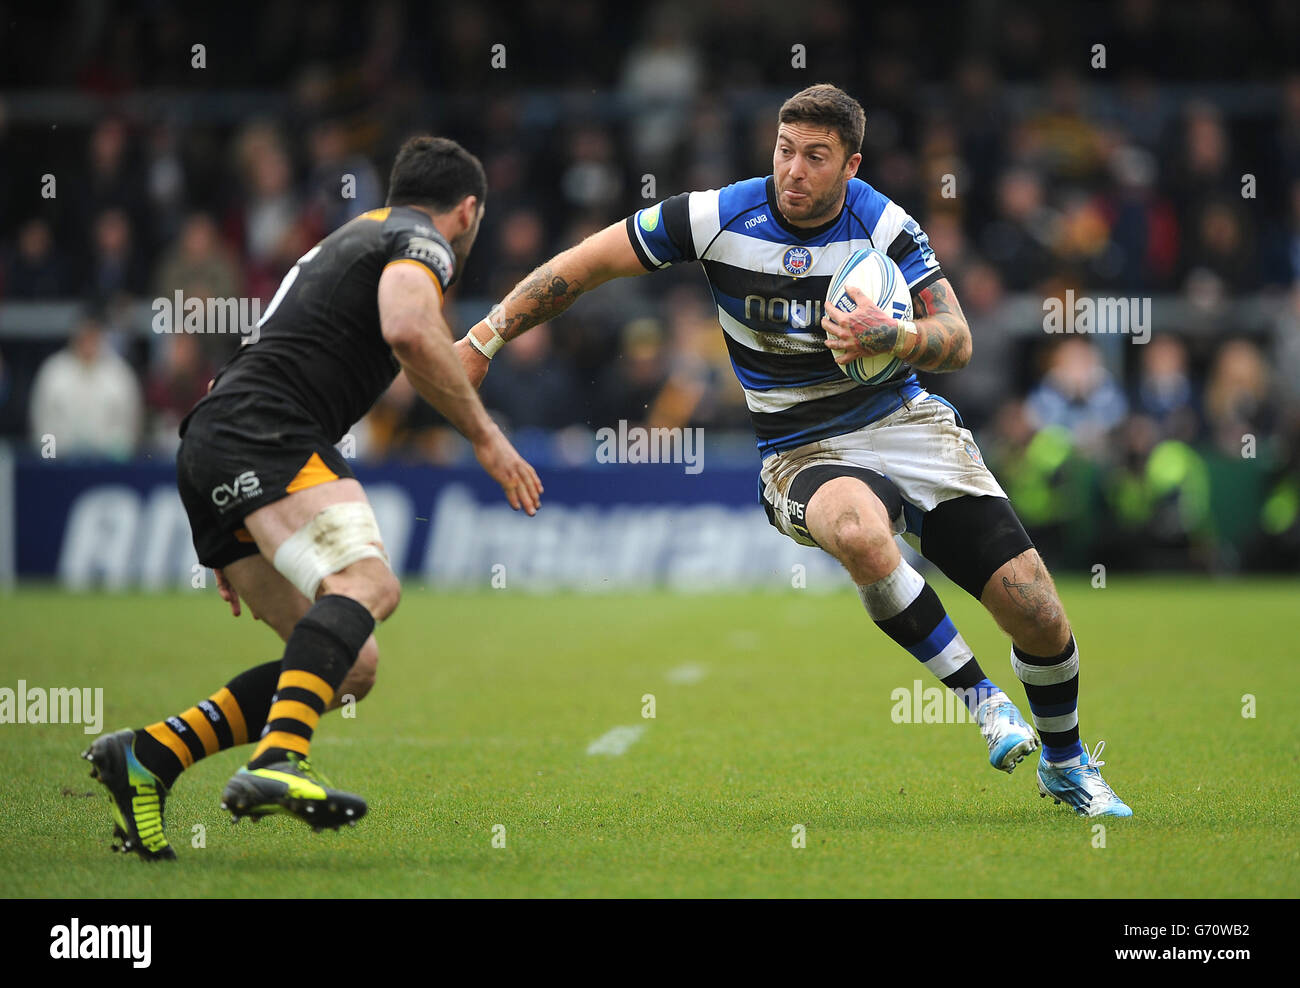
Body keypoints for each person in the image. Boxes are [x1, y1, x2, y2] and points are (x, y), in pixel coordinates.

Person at [457, 84, 1130, 818]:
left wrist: (894, 337)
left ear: (851, 165)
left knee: (1035, 609)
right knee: (858, 530)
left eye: (816, 157)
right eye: (785, 151)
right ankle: (983, 700)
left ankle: (1065, 765)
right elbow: (583, 266)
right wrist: (485, 338)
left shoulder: (886, 225)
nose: (794, 171)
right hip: (799, 445)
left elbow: (957, 340)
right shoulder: (717, 216)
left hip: (907, 423)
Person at [84, 136, 543, 860]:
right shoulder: (421, 238)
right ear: (469, 210)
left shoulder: (356, 237)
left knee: (350, 668)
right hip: (267, 434)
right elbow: (408, 328)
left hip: (220, 437)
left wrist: (238, 519)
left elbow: (273, 352)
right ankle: (277, 761)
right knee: (367, 583)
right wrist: (486, 439)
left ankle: (150, 756)